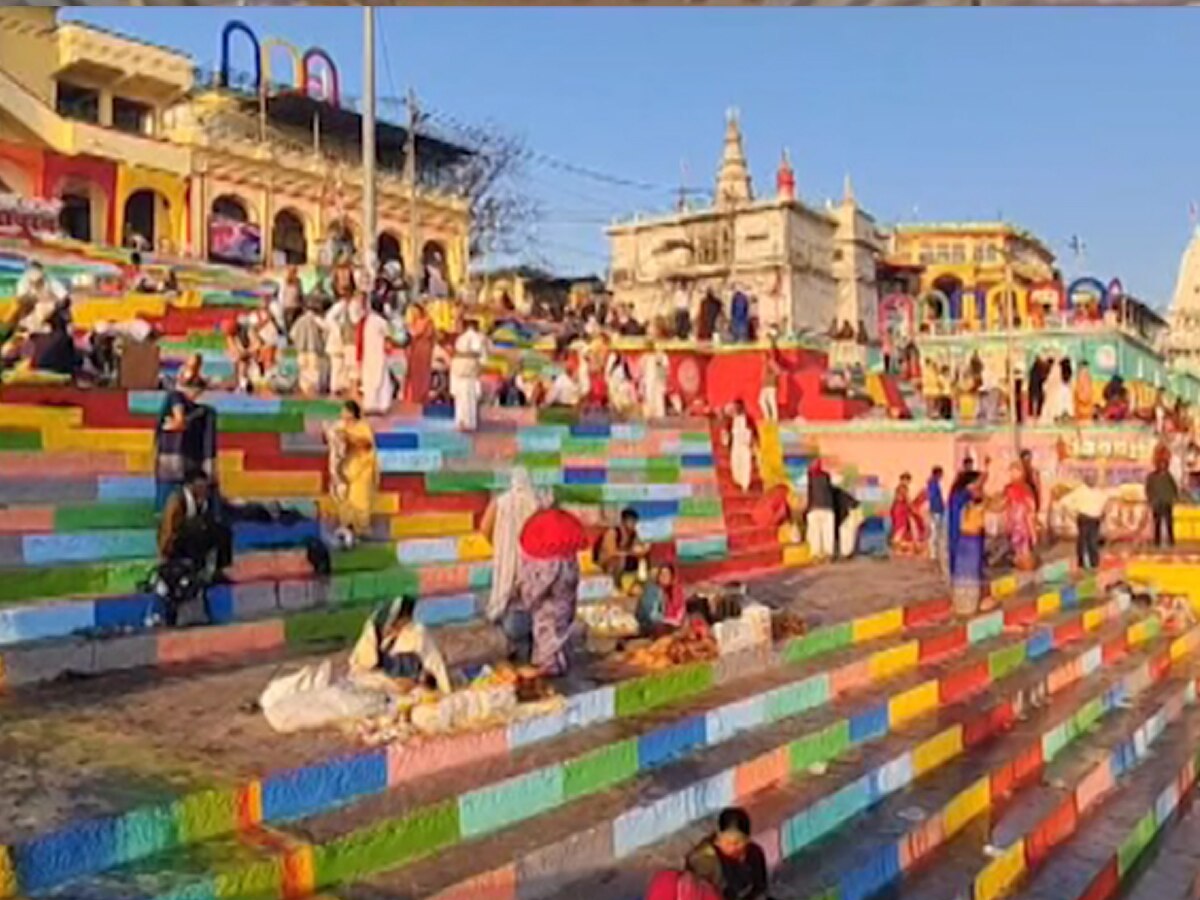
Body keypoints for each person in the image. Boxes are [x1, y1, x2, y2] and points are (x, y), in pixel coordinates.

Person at [503, 507, 586, 677]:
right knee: (561, 640)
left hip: (549, 611)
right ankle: (561, 666)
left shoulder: (550, 562)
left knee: (546, 647)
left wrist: (522, 598)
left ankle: (549, 674)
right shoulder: (570, 558)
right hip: (566, 607)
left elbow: (535, 591)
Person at [156, 471, 232, 626]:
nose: (204, 489)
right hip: (176, 544)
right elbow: (167, 528)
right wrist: (165, 553)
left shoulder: (205, 501)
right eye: (201, 485)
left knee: (222, 530)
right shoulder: (176, 500)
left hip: (196, 540)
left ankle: (219, 569)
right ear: (191, 485)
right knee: (195, 527)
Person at [480, 467, 545, 623]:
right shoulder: (537, 504)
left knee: (506, 589)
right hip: (530, 558)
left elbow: (484, 529)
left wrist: (498, 544)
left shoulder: (500, 502)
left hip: (506, 555)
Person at [348, 595, 452, 693]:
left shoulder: (415, 633)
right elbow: (359, 668)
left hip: (410, 688)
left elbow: (435, 664)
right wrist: (387, 681)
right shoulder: (373, 630)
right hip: (382, 685)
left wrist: (445, 690)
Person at [154, 363, 216, 510]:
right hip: (185, 461)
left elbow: (179, 421)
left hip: (172, 461)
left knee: (170, 500)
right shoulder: (202, 410)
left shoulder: (176, 397)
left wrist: (170, 424)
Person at [685, 807, 771, 900]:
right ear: (718, 839)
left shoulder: (754, 853)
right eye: (727, 842)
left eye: (738, 843)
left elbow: (760, 889)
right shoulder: (704, 859)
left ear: (747, 840)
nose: (732, 847)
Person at [326, 400, 378, 546]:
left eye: (346, 411)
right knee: (343, 500)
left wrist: (349, 438)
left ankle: (361, 531)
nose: (343, 414)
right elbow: (330, 439)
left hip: (362, 469)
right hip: (345, 468)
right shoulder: (339, 426)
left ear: (353, 413)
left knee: (360, 500)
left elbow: (366, 445)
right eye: (342, 411)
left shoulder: (363, 427)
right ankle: (347, 529)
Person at [948, 468, 993, 616]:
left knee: (961, 574)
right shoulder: (965, 498)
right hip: (967, 542)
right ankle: (971, 604)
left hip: (962, 542)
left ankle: (961, 604)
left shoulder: (959, 496)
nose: (980, 489)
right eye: (977, 485)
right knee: (971, 573)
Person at [1060, 473, 1110, 570]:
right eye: (1090, 479)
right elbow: (1064, 502)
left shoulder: (1099, 492)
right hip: (1084, 518)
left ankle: (1094, 563)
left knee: (1093, 541)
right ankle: (1081, 563)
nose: (1093, 481)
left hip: (1095, 519)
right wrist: (1072, 514)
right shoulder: (1080, 491)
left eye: (1094, 479)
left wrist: (1103, 513)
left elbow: (1106, 502)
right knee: (1083, 541)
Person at [596, 507, 650, 589]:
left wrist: (643, 549)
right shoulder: (613, 533)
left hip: (625, 560)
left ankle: (639, 586)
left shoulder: (633, 534)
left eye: (635, 522)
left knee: (643, 560)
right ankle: (615, 586)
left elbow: (637, 549)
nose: (633, 524)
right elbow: (611, 552)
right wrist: (628, 553)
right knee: (620, 559)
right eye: (631, 521)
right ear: (623, 521)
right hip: (606, 562)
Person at [357, 298, 394, 415]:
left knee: (369, 380)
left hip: (368, 355)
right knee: (382, 380)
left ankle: (369, 405)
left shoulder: (367, 320)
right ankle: (383, 405)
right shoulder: (381, 321)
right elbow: (389, 335)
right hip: (378, 354)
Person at [450, 317, 488, 431]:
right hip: (468, 369)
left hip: (460, 368)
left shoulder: (463, 338)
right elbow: (480, 354)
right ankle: (468, 422)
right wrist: (481, 365)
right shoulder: (476, 337)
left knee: (461, 397)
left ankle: (461, 421)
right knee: (468, 396)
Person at [1003, 461, 1039, 571]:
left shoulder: (1025, 489)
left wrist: (1033, 531)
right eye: (1011, 472)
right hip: (1015, 525)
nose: (1012, 474)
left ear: (1021, 473)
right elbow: (1006, 508)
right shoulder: (1008, 489)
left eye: (1015, 471)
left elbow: (1030, 511)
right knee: (1018, 550)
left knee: (1024, 550)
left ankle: (1026, 569)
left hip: (1023, 525)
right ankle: (1022, 568)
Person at [636, 563, 686, 636]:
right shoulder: (652, 590)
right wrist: (666, 620)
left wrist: (675, 620)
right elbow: (651, 615)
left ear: (671, 577)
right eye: (662, 574)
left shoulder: (675, 591)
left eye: (667, 574)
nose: (664, 577)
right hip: (650, 624)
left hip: (671, 624)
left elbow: (681, 610)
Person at [290, 299, 326, 396]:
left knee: (303, 373)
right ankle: (311, 394)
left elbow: (292, 334)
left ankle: (305, 394)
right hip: (313, 349)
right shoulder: (316, 319)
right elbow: (326, 329)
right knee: (313, 373)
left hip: (301, 350)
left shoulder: (300, 320)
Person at [324, 291, 357, 396]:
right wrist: (338, 331)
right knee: (337, 367)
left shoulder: (350, 307)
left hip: (344, 342)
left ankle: (340, 388)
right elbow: (329, 319)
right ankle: (335, 389)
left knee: (343, 367)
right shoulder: (340, 306)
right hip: (337, 342)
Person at [1146, 446, 1180, 548]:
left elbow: (1174, 488)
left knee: (1169, 523)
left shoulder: (1168, 476)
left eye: (1164, 464)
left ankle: (1171, 541)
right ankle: (1157, 542)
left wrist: (1174, 498)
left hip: (1167, 502)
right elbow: (1148, 489)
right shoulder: (1152, 476)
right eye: (1161, 463)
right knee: (1157, 523)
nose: (1162, 465)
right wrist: (1151, 500)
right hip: (1157, 503)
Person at [404, 302, 435, 404]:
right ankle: (414, 396)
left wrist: (410, 327)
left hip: (423, 351)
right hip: (416, 350)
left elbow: (417, 333)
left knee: (422, 375)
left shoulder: (426, 321)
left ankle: (421, 397)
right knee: (414, 375)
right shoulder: (417, 322)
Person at [889, 473, 926, 555]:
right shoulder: (903, 488)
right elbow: (906, 500)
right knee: (901, 527)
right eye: (906, 480)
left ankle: (899, 546)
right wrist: (913, 509)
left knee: (901, 527)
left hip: (900, 509)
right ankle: (897, 545)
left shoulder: (899, 488)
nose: (907, 482)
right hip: (901, 509)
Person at [806, 459, 836, 560]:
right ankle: (828, 553)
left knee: (815, 533)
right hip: (827, 507)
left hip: (814, 508)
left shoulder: (808, 478)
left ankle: (816, 554)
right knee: (827, 532)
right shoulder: (827, 476)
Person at [727, 400, 757, 493]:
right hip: (736, 444)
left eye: (737, 408)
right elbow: (729, 433)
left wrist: (753, 443)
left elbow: (753, 431)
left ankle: (745, 484)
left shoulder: (748, 419)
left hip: (745, 444)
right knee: (735, 462)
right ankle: (738, 481)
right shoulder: (731, 420)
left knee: (745, 463)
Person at [924, 466, 946, 567]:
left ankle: (935, 553)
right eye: (941, 474)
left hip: (938, 510)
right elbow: (932, 497)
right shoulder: (933, 484)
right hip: (936, 510)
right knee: (935, 532)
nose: (942, 476)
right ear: (937, 474)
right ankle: (933, 554)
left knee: (937, 532)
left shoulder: (933, 483)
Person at [641, 342, 670, 420]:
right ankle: (649, 417)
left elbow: (666, 369)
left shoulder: (661, 356)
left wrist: (659, 363)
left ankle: (659, 418)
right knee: (648, 399)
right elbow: (642, 371)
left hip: (658, 381)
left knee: (658, 399)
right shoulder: (644, 357)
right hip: (648, 382)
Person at [833, 484, 862, 560]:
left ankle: (846, 552)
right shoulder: (839, 492)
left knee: (846, 532)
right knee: (849, 532)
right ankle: (847, 552)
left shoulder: (834, 494)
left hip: (849, 512)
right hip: (852, 510)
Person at [759, 343, 781, 423]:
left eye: (763, 356)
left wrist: (772, 376)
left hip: (771, 385)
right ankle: (768, 417)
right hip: (765, 385)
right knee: (762, 401)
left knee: (771, 401)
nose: (762, 358)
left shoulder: (770, 362)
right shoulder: (765, 364)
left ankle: (774, 418)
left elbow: (778, 371)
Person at [1028, 355, 1049, 420]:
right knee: (1039, 400)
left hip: (1032, 387)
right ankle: (1037, 414)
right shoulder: (1039, 369)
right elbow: (1042, 379)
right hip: (1038, 388)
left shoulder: (1033, 369)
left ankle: (1032, 413)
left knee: (1032, 400)